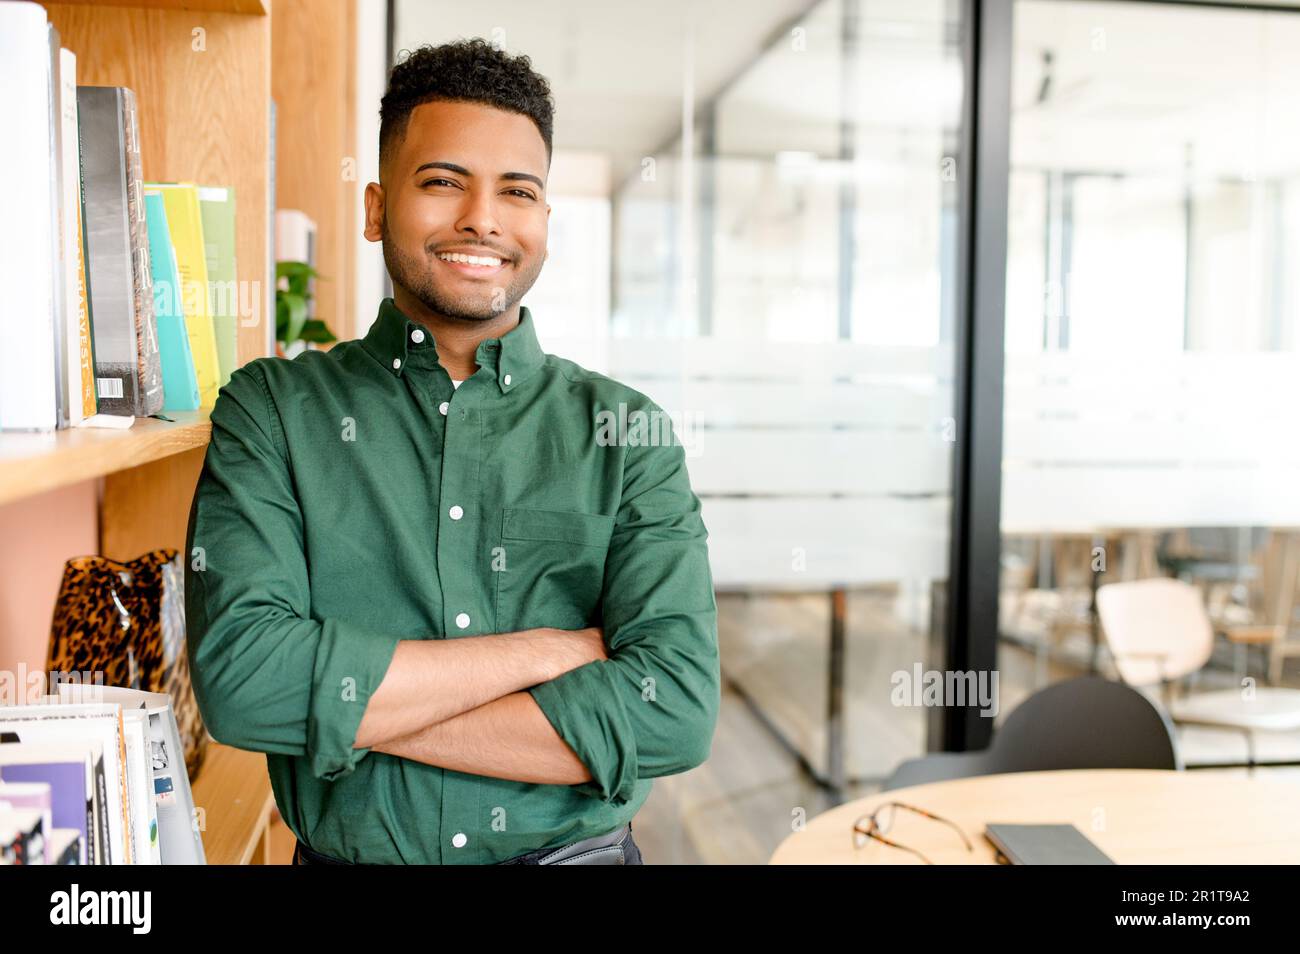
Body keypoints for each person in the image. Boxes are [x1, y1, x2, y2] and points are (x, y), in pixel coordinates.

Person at [184, 38, 720, 865]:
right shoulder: (274, 412)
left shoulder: (628, 433)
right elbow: (248, 685)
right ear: (374, 208)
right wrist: (546, 653)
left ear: (544, 221)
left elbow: (674, 711)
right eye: (442, 182)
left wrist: (353, 710)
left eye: (519, 191)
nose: (483, 217)